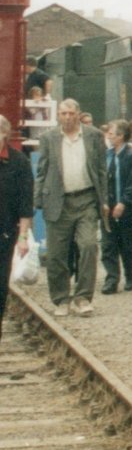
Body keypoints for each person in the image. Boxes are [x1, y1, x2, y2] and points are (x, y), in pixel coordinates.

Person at [33, 99, 106, 317]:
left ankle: (83, 297)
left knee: (88, 246)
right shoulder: (48, 138)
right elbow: (42, 171)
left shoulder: (93, 136)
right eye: (63, 113)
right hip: (58, 201)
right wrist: (37, 200)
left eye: (71, 113)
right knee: (57, 254)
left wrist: (105, 199)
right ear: (58, 116)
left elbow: (101, 170)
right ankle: (61, 299)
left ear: (79, 114)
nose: (67, 117)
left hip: (86, 200)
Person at [0, 118, 35, 337]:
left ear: (5, 134)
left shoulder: (19, 162)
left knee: (1, 286)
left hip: (4, 234)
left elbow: (25, 204)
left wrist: (22, 237)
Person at [100, 120, 132, 294]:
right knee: (108, 245)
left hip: (128, 209)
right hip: (107, 209)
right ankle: (111, 279)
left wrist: (123, 202)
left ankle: (131, 275)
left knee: (128, 245)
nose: (109, 136)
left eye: (111, 133)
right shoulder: (106, 155)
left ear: (121, 136)